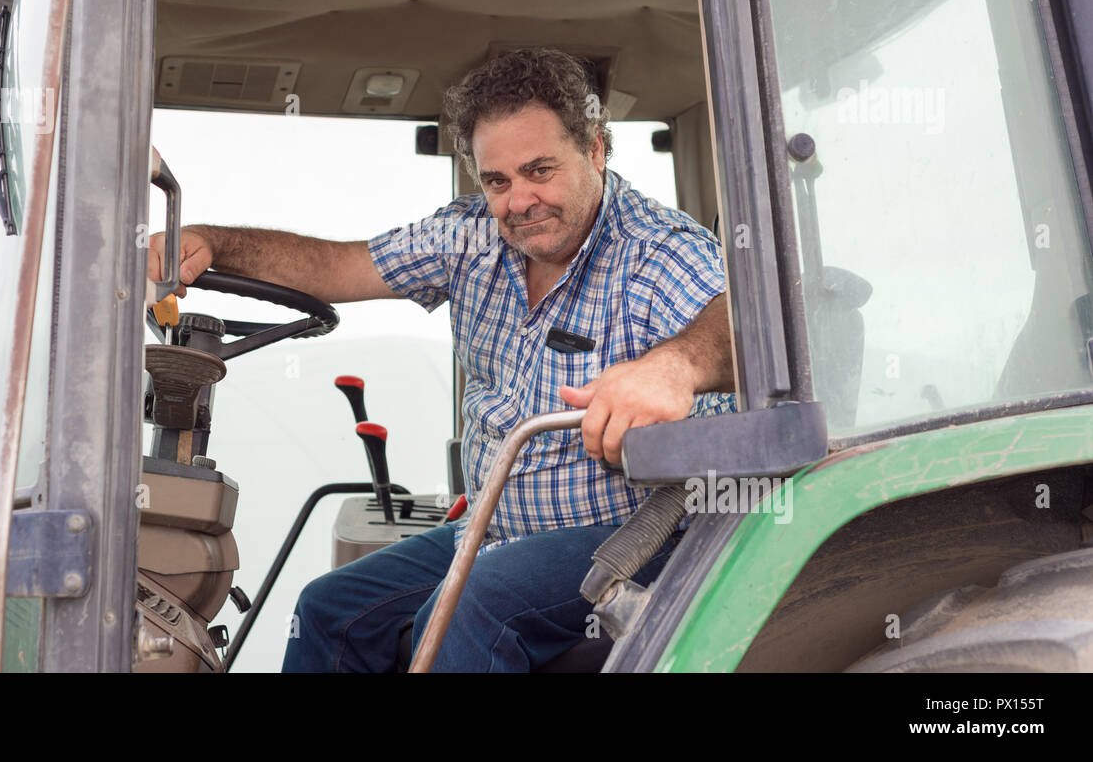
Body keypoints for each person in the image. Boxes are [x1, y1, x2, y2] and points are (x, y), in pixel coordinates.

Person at [147, 47, 737, 671]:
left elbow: (740, 323)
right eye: (498, 181)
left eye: (540, 170)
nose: (519, 201)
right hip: (493, 528)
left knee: (464, 609)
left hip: (636, 536)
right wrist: (213, 242)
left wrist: (674, 366)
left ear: (595, 149)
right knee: (328, 608)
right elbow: (335, 265)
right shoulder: (470, 236)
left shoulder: (657, 250)